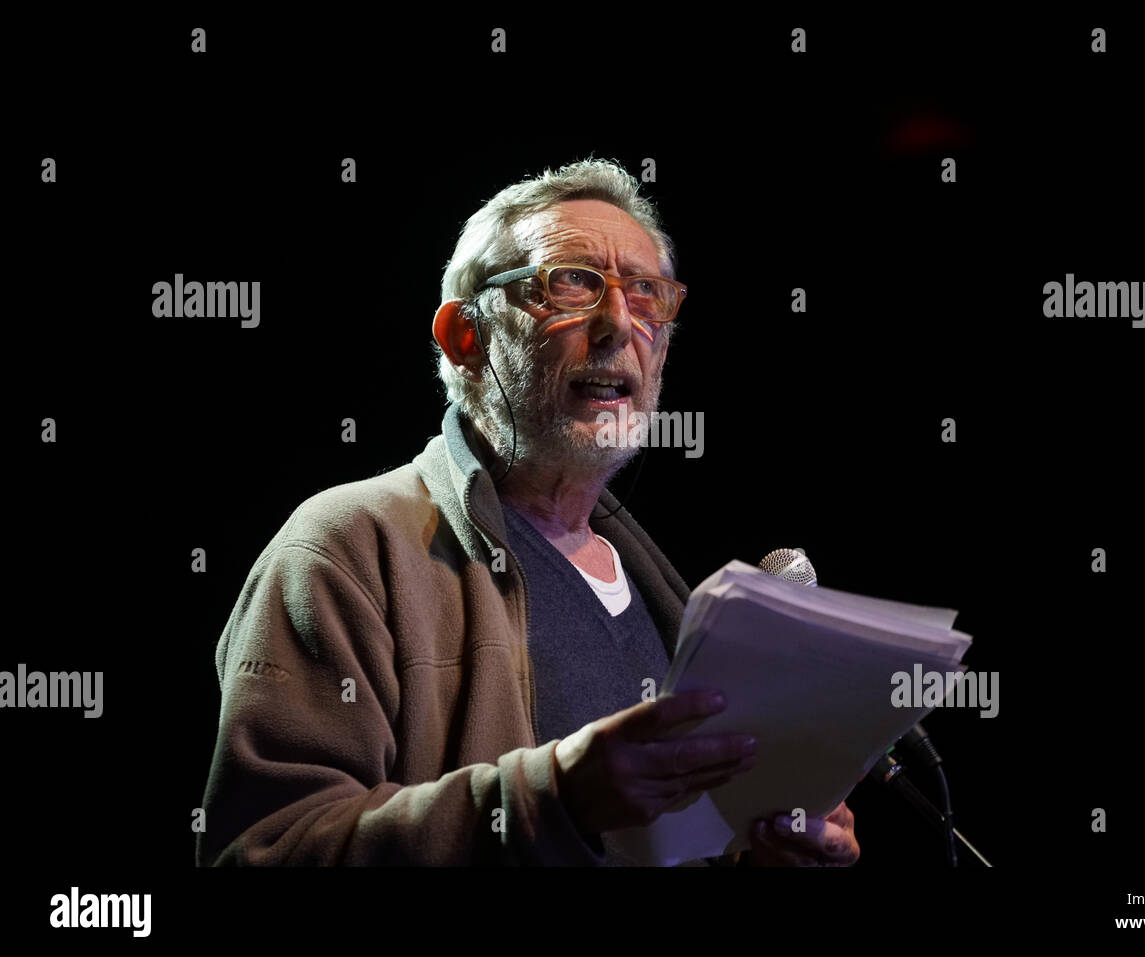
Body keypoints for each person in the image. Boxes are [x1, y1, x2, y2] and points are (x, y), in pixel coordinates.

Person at [196, 158, 859, 867]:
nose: (617, 323)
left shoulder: (656, 585)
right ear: (465, 338)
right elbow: (262, 849)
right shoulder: (347, 548)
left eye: (645, 294)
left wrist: (757, 856)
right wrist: (552, 798)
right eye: (570, 283)